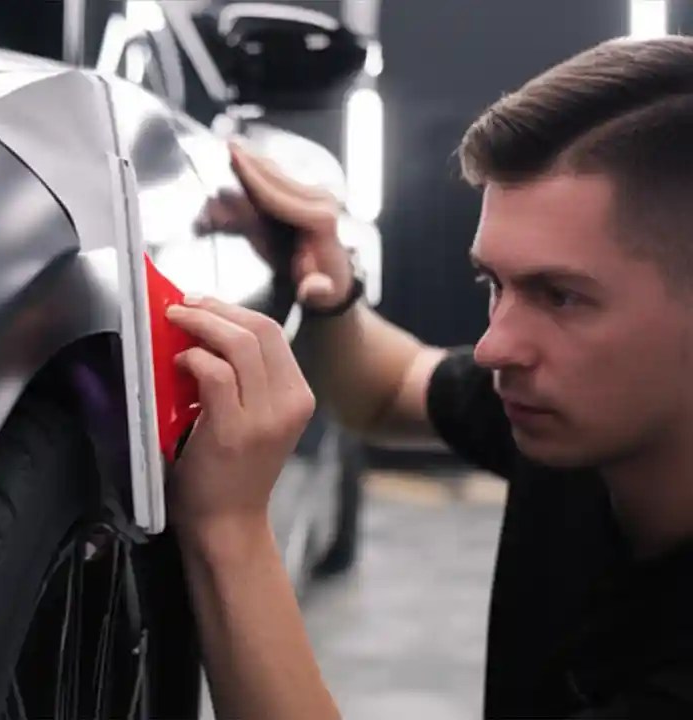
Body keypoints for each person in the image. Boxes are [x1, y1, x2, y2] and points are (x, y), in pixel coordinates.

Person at [165, 36, 693, 719]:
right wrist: (329, 288)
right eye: (494, 284)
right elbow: (390, 389)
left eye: (561, 296)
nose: (496, 346)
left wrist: (229, 531)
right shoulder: (591, 413)